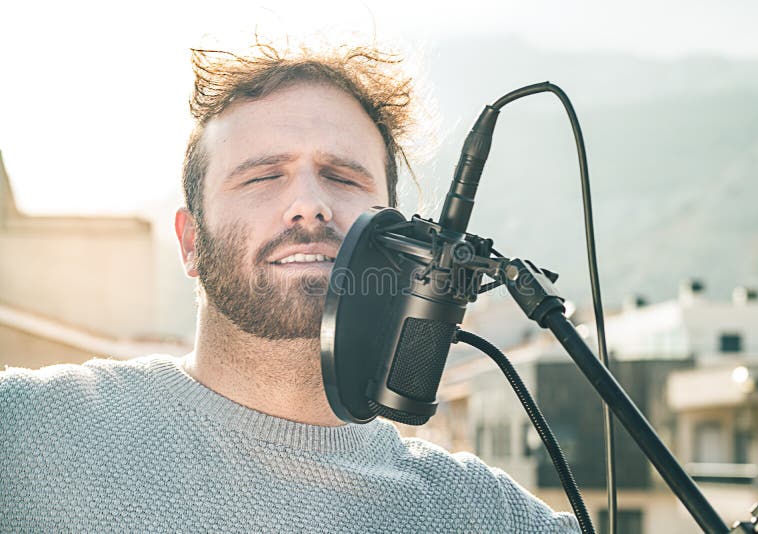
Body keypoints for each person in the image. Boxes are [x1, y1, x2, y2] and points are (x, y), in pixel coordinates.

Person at [0, 40, 580, 533]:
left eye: (342, 176)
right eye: (262, 176)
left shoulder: (484, 513)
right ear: (191, 242)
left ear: (403, 238)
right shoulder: (25, 427)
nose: (309, 204)